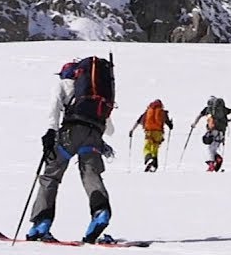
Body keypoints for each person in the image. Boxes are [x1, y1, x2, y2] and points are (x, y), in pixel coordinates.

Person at [26, 57, 117, 244]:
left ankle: (41, 223)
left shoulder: (64, 84)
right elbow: (110, 130)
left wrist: (51, 132)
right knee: (91, 174)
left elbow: (54, 107)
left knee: (51, 175)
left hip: (70, 132)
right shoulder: (95, 95)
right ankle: (100, 212)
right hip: (94, 134)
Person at [190, 96, 231, 172]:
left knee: (209, 148)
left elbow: (199, 116)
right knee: (214, 147)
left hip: (211, 131)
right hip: (221, 131)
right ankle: (217, 158)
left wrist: (194, 124)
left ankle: (211, 164)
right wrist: (230, 119)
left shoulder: (207, 109)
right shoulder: (223, 109)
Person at [128, 99, 173, 172]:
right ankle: (154, 165)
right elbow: (168, 123)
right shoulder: (162, 112)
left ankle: (149, 159)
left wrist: (132, 130)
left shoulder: (148, 111)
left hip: (149, 132)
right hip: (159, 133)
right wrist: (170, 125)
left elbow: (138, 121)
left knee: (147, 148)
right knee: (155, 149)